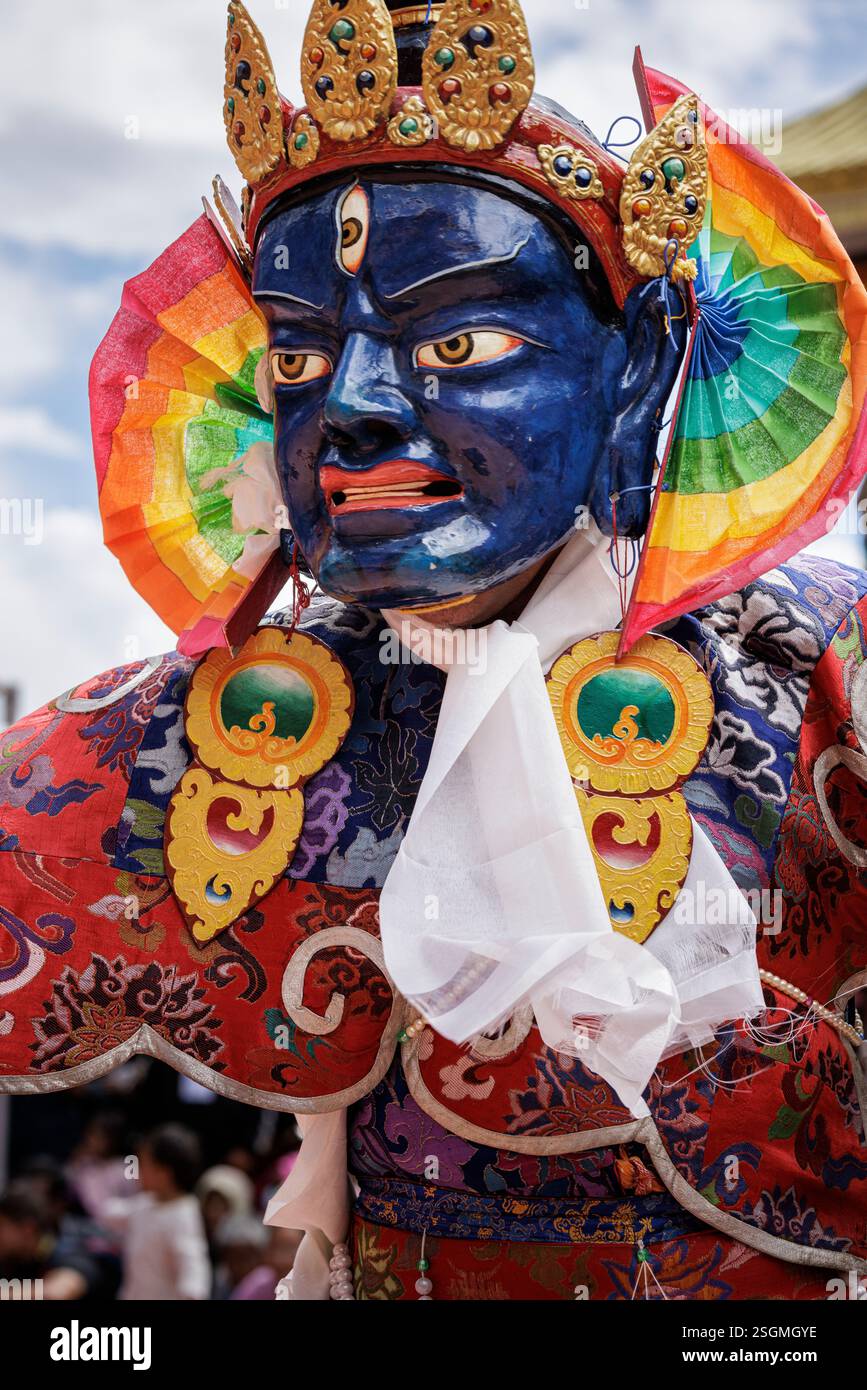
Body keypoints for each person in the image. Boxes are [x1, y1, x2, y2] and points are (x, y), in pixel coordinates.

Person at [0, 0, 865, 1300]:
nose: (345, 409)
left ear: (634, 372)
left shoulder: (824, 662)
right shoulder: (229, 711)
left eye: (457, 342)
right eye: (297, 350)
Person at [101, 1125, 210, 1302]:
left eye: (143, 1163)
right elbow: (110, 1213)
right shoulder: (145, 1203)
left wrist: (192, 1292)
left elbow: (193, 1270)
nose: (138, 1169)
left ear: (163, 1173)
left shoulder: (183, 1216)